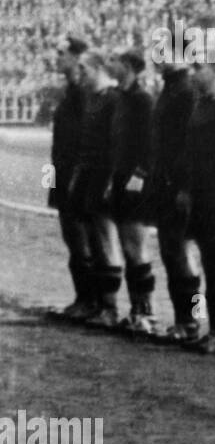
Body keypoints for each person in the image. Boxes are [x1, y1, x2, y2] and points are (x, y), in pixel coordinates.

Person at [176, 54, 215, 354]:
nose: (192, 73)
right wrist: (187, 188)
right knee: (204, 258)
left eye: (198, 68)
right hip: (200, 194)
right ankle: (208, 325)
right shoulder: (200, 105)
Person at [147, 53, 202, 344]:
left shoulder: (186, 90)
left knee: (181, 253)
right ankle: (185, 319)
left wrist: (183, 185)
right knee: (171, 252)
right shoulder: (170, 88)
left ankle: (193, 319)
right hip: (164, 185)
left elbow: (190, 144)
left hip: (178, 186)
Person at [68, 50, 124, 328]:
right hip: (88, 175)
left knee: (106, 237)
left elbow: (117, 144)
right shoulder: (92, 98)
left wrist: (112, 180)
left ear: (99, 68)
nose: (81, 74)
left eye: (84, 69)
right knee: (92, 236)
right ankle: (98, 303)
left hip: (104, 176)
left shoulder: (114, 99)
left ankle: (111, 307)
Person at [107, 50, 158, 336]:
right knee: (127, 247)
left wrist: (139, 175)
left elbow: (150, 143)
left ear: (127, 66)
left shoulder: (142, 99)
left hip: (136, 181)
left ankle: (146, 311)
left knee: (137, 247)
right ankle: (136, 307)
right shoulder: (122, 98)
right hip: (119, 178)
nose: (110, 66)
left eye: (114, 61)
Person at [46, 36, 93, 322]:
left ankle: (92, 301)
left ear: (77, 58)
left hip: (78, 176)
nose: (57, 58)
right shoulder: (71, 91)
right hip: (63, 174)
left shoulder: (84, 92)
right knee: (72, 238)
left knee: (82, 238)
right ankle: (82, 299)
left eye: (62, 53)